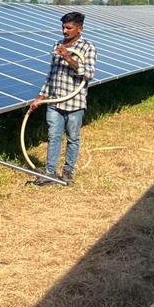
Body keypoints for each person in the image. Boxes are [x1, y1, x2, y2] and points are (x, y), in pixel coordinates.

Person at [28, 11, 97, 186]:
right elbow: (51, 74)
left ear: (79, 28)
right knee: (53, 137)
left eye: (68, 28)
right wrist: (40, 97)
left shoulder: (88, 47)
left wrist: (67, 57)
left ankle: (67, 172)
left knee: (73, 138)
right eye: (63, 27)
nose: (64, 31)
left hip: (75, 102)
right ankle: (50, 173)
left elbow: (89, 73)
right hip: (54, 101)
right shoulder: (57, 44)